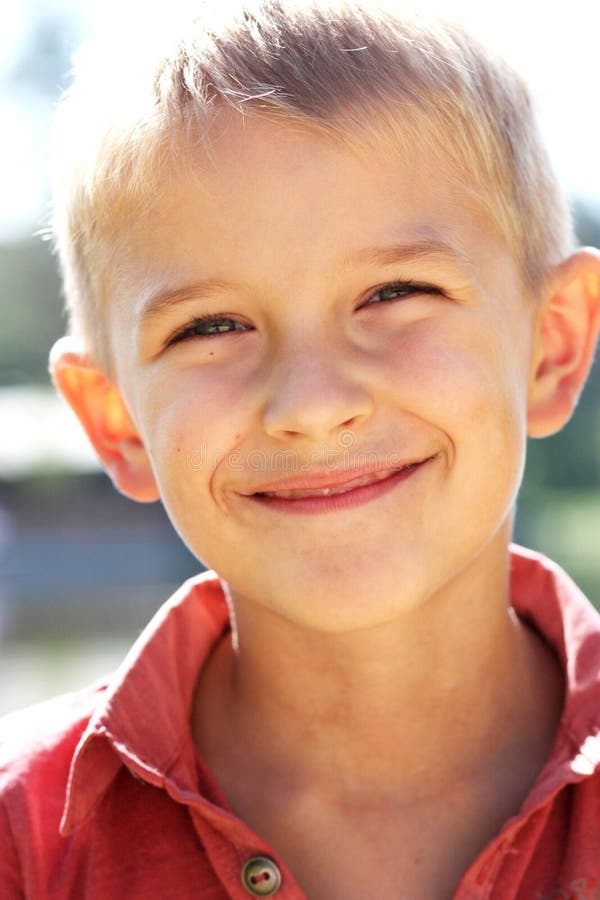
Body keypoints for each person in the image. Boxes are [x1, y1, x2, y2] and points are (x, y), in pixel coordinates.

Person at [2, 2, 600, 897]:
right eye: (211, 326)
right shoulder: (22, 844)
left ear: (552, 345)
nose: (313, 408)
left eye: (395, 293)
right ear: (115, 419)